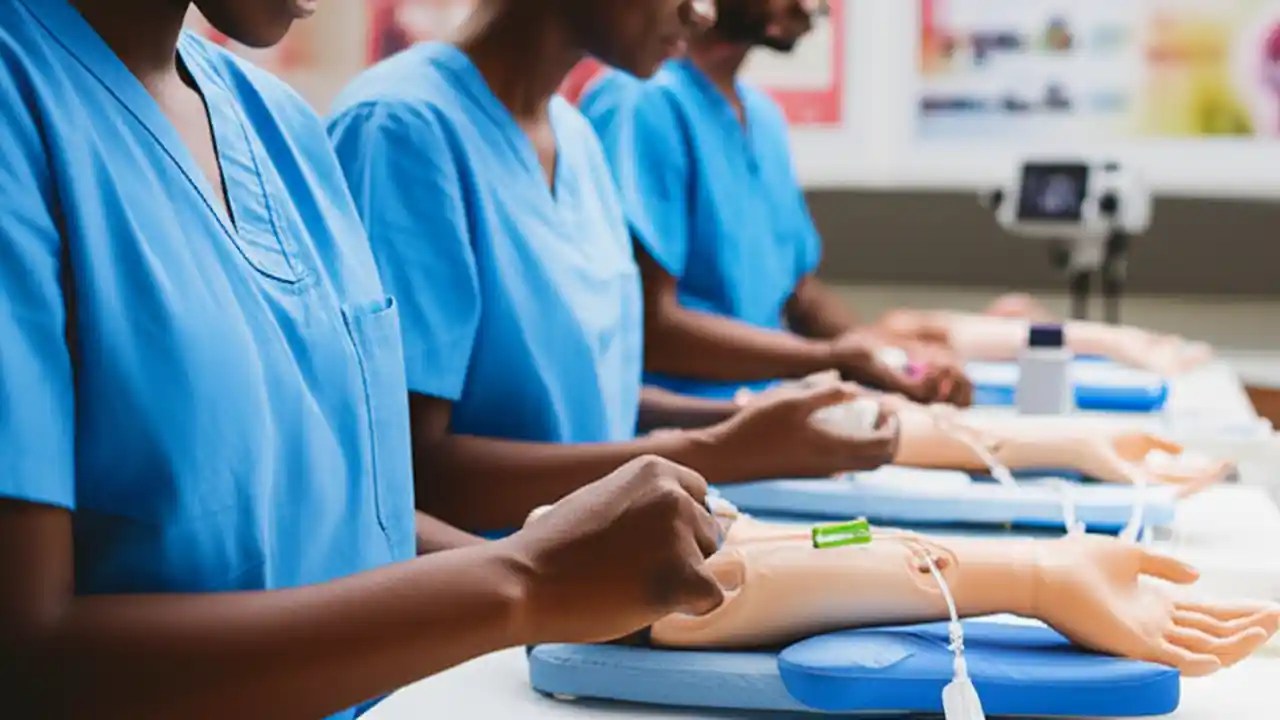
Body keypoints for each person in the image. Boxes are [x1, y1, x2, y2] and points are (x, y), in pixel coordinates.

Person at [0, 1, 728, 716]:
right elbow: (25, 659)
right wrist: (523, 582)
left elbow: (355, 519)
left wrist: (577, 570)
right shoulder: (24, 106)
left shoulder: (277, 126)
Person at [328, 0, 903, 535]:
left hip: (600, 575)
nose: (701, 13)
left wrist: (758, 424)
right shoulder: (400, 131)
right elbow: (410, 479)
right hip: (480, 611)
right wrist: (715, 450)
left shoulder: (574, 138)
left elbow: (596, 403)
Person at [574, 0, 968, 407]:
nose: (811, 6)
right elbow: (649, 328)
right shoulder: (638, 102)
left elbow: (796, 292)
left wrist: (888, 354)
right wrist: (829, 360)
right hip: (681, 427)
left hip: (768, 411)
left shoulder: (761, 115)